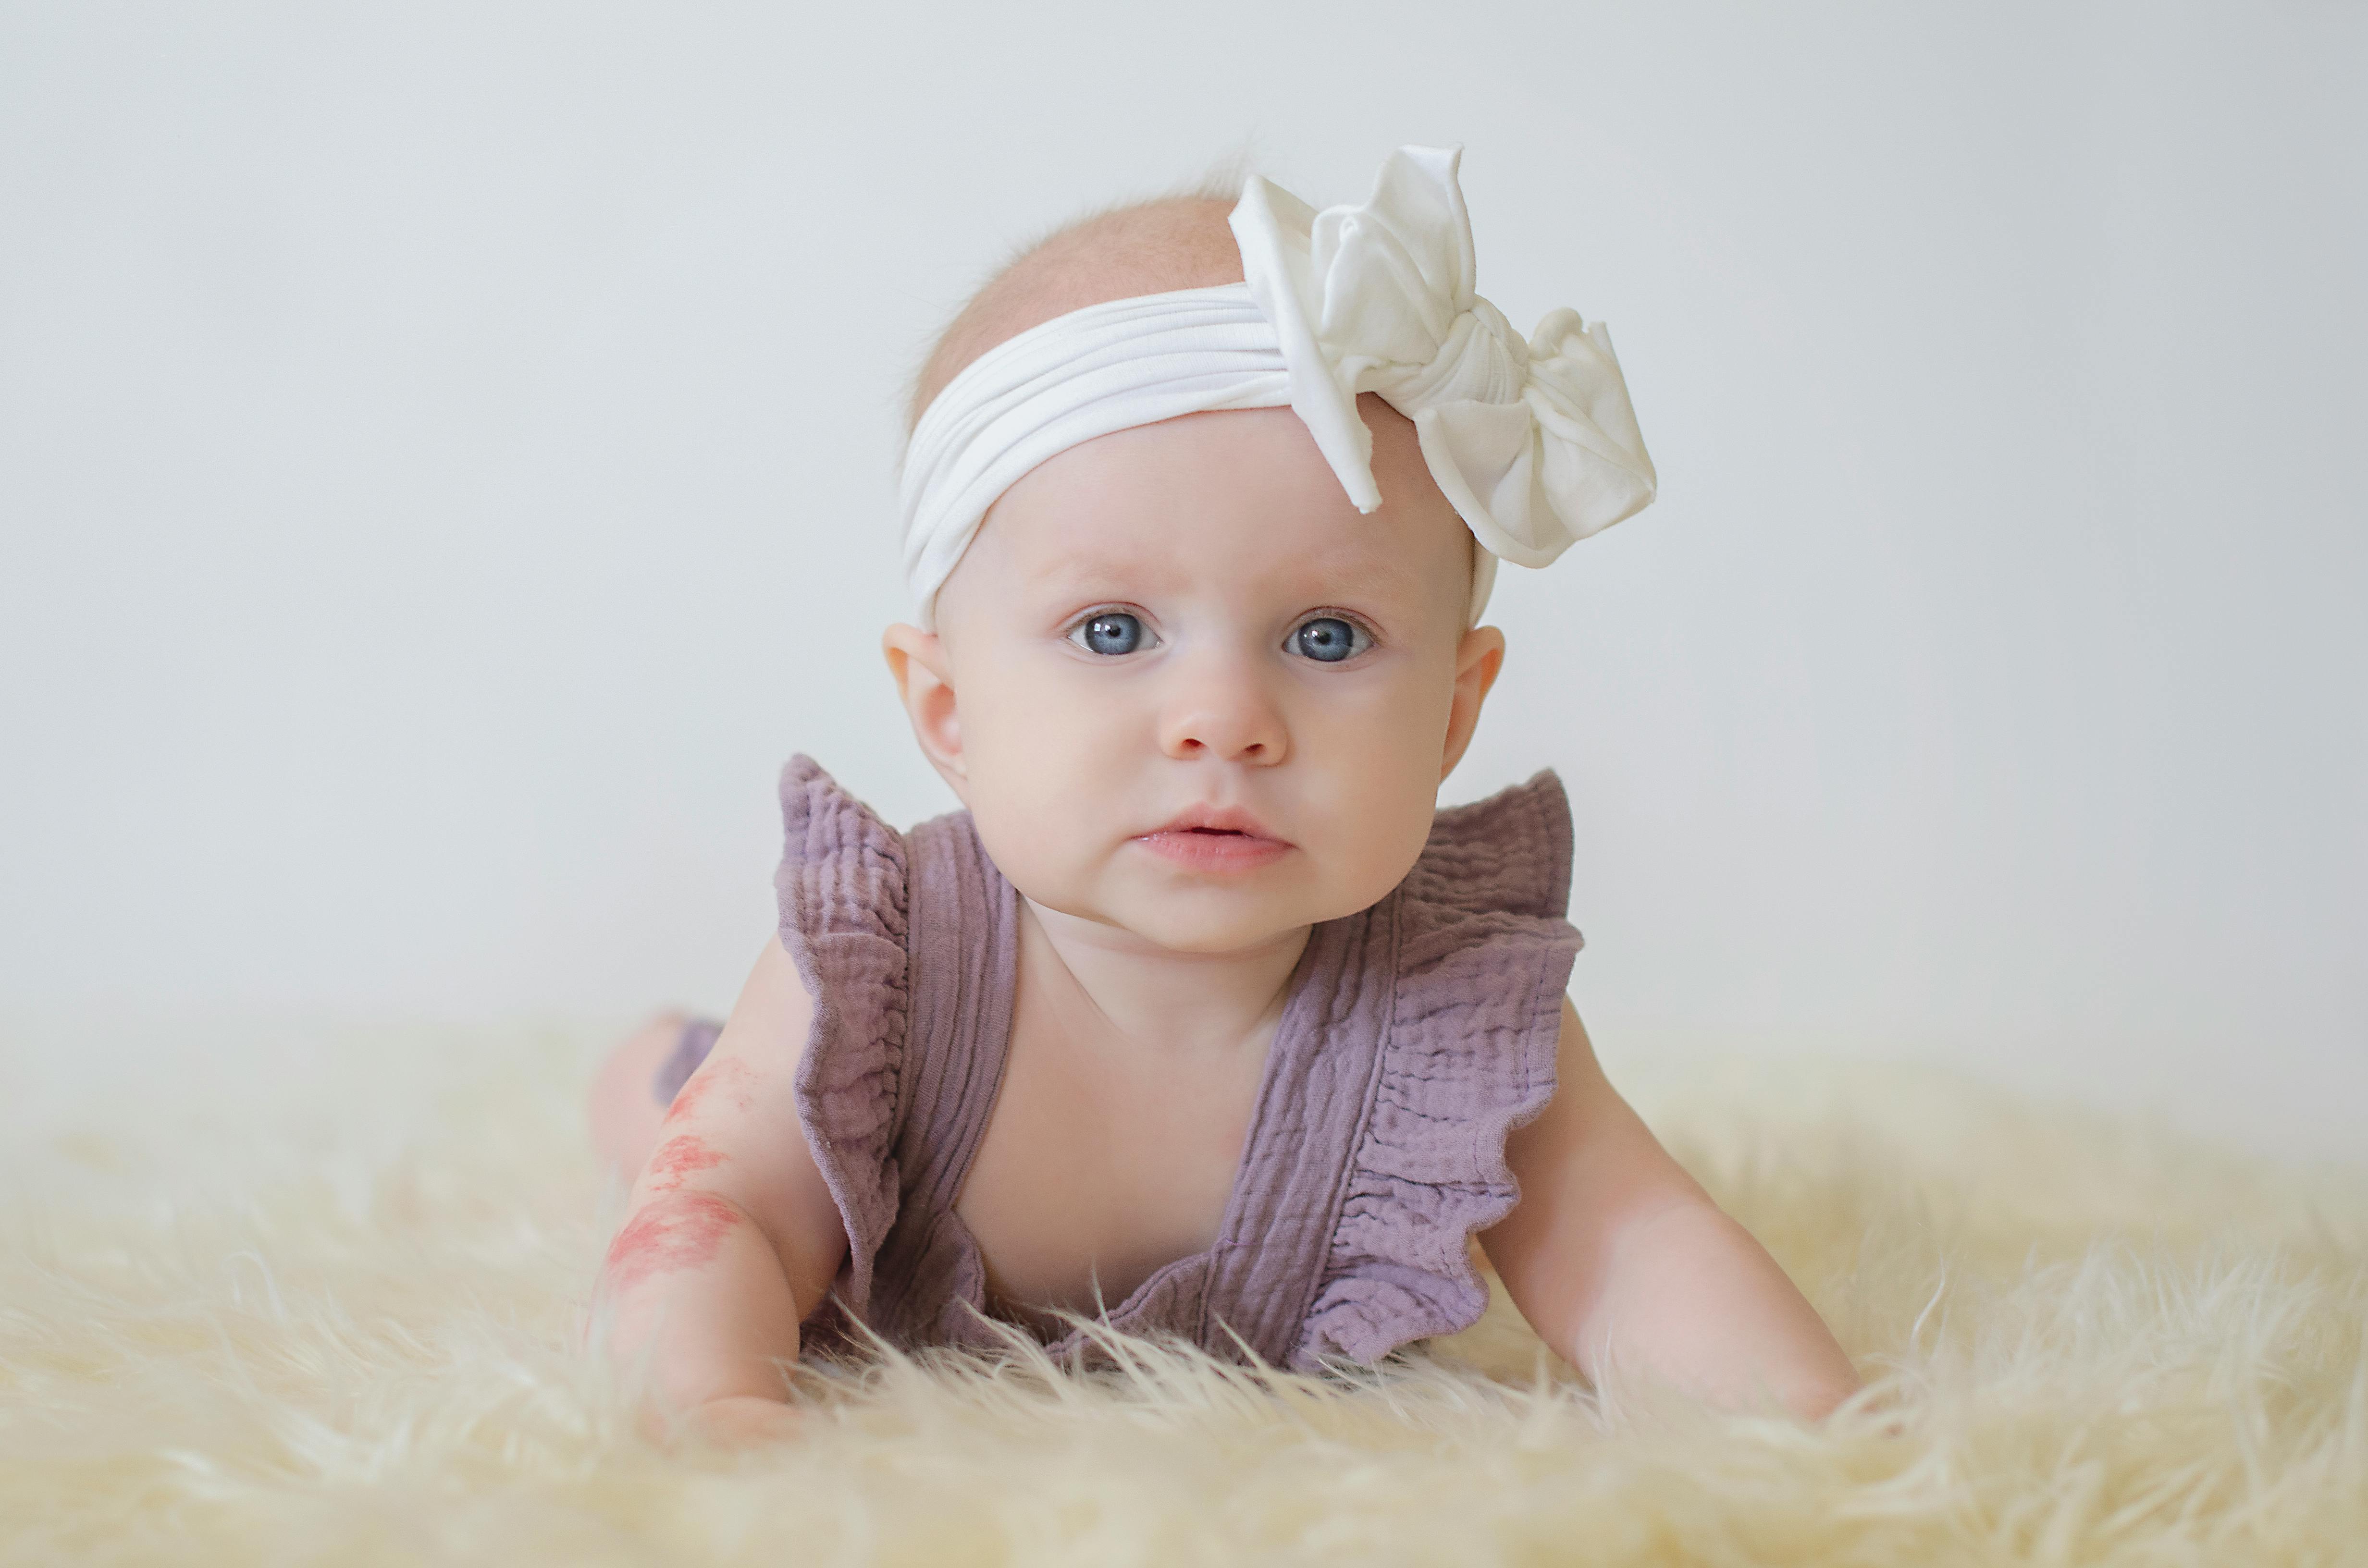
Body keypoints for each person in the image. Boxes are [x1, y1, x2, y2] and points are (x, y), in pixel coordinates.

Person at [584, 146, 1860, 1445]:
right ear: (949, 713)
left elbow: (1634, 1237)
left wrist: (1813, 1428)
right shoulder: (880, 969)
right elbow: (722, 1212)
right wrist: (715, 1409)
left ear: (1454, 716)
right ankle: (651, 1062)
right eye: (1113, 631)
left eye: (1325, 637)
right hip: (797, 1115)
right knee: (683, 1122)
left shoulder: (1450, 1013)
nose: (1223, 721)